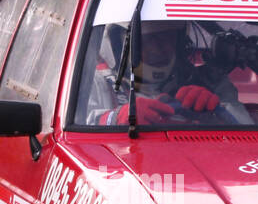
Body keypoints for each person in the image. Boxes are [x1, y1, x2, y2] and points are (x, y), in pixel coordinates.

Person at [84, 19, 225, 125]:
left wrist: (215, 115)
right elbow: (72, 132)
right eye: (146, 40)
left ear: (181, 41)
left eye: (167, 37)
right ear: (117, 45)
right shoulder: (93, 82)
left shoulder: (207, 82)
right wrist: (114, 118)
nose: (157, 50)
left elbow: (242, 128)